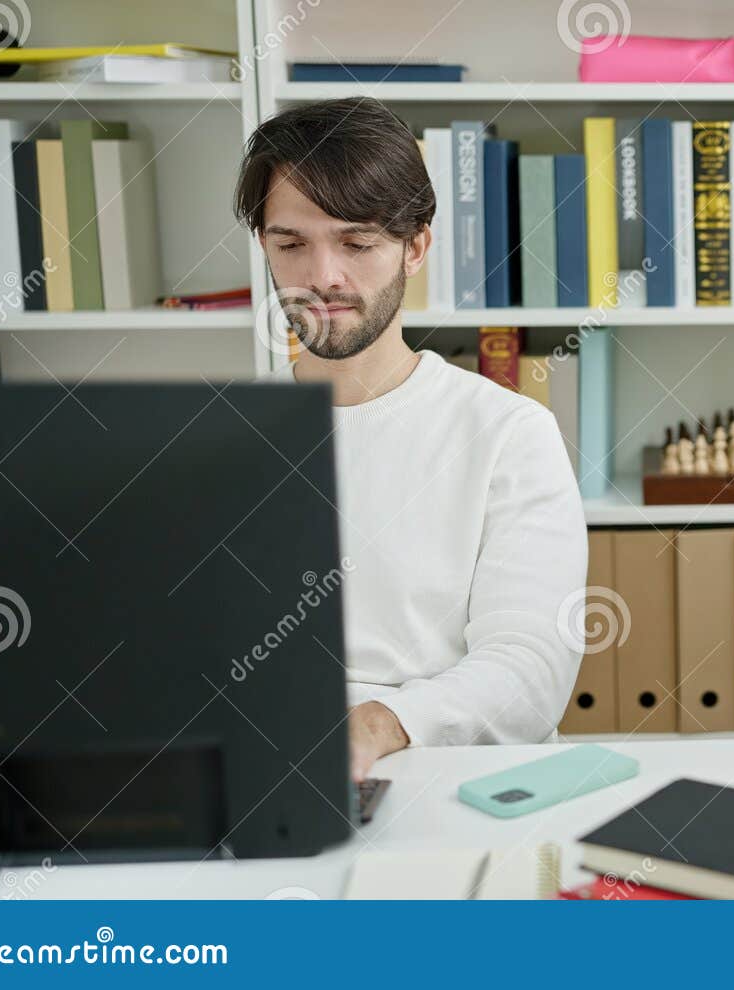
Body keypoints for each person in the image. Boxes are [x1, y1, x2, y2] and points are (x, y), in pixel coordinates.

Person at [235, 97, 586, 780]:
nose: (323, 277)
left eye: (358, 244)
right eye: (291, 245)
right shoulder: (217, 437)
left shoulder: (510, 434)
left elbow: (530, 668)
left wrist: (382, 724)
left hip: (447, 774)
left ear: (416, 247)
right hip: (261, 769)